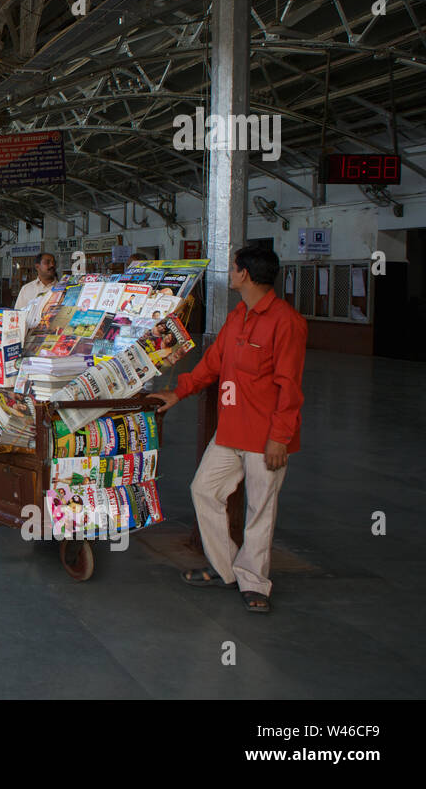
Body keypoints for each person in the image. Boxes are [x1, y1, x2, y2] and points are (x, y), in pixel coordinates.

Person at [151, 244, 307, 615]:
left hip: (266, 438)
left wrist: (279, 438)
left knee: (260, 511)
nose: (230, 273)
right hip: (231, 433)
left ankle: (255, 582)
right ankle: (225, 568)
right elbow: (211, 365)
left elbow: (290, 386)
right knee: (204, 490)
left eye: (233, 268)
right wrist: (179, 392)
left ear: (245, 274)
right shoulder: (238, 317)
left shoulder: (286, 322)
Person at [15, 252, 57, 320]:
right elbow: (18, 314)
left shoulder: (63, 288)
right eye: (47, 262)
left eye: (54, 262)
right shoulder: (26, 289)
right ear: (37, 266)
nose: (52, 265)